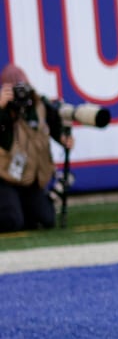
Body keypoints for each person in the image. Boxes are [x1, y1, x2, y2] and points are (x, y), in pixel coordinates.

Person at [0, 64, 71, 233]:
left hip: (30, 180)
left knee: (46, 220)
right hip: (5, 180)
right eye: (14, 89)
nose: (20, 94)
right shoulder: (4, 110)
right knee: (10, 222)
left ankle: (25, 209)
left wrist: (63, 137)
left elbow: (56, 122)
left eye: (22, 87)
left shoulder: (39, 105)